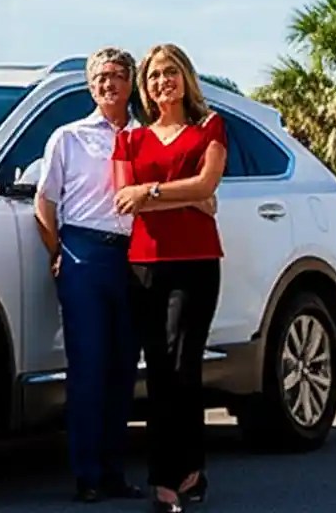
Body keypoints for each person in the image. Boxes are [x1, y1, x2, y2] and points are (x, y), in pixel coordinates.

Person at [33, 47, 214, 503]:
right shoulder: (68, 137)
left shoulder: (146, 136)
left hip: (136, 259)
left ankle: (116, 472)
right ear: (89, 85)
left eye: (115, 75)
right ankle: (87, 474)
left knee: (124, 368)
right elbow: (44, 201)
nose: (106, 83)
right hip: (85, 254)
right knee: (89, 364)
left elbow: (194, 190)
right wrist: (58, 252)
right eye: (98, 77)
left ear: (131, 82)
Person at [111, 43, 227, 512]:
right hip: (144, 263)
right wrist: (186, 196)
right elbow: (122, 198)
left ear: (186, 78)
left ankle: (171, 477)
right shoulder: (130, 141)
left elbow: (207, 185)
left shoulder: (209, 127)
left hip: (196, 261)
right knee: (158, 370)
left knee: (183, 365)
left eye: (171, 72)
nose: (163, 81)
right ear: (146, 86)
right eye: (155, 75)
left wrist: (151, 191)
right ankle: (185, 470)